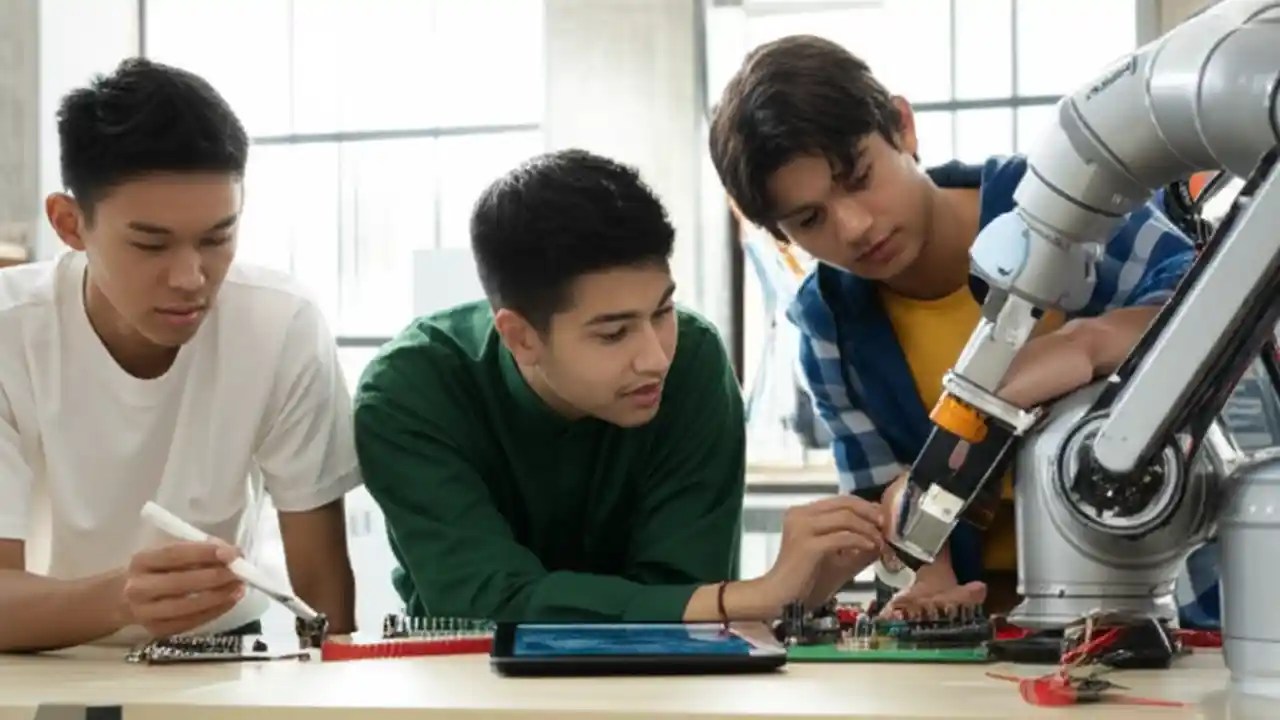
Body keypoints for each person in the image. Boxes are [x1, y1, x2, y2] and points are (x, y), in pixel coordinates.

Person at [708, 35, 1199, 618]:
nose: (856, 226)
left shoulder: (1069, 206)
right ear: (780, 235)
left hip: (1172, 607)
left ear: (903, 127)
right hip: (997, 635)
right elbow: (886, 500)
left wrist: (1088, 343)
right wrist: (923, 578)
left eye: (859, 176)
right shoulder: (828, 329)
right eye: (810, 219)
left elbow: (1216, 303)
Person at [354, 148, 884, 623]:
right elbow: (482, 603)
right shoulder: (409, 392)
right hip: (469, 690)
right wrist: (753, 598)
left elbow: (681, 590)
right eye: (613, 333)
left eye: (662, 311)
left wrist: (756, 596)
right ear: (521, 337)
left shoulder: (693, 360)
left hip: (660, 690)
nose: (654, 358)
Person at [0, 58, 361, 652]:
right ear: (70, 224)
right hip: (36, 652)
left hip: (220, 655)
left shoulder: (279, 324)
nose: (192, 278)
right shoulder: (13, 334)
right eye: (150, 243)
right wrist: (119, 600)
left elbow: (324, 597)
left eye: (218, 238)